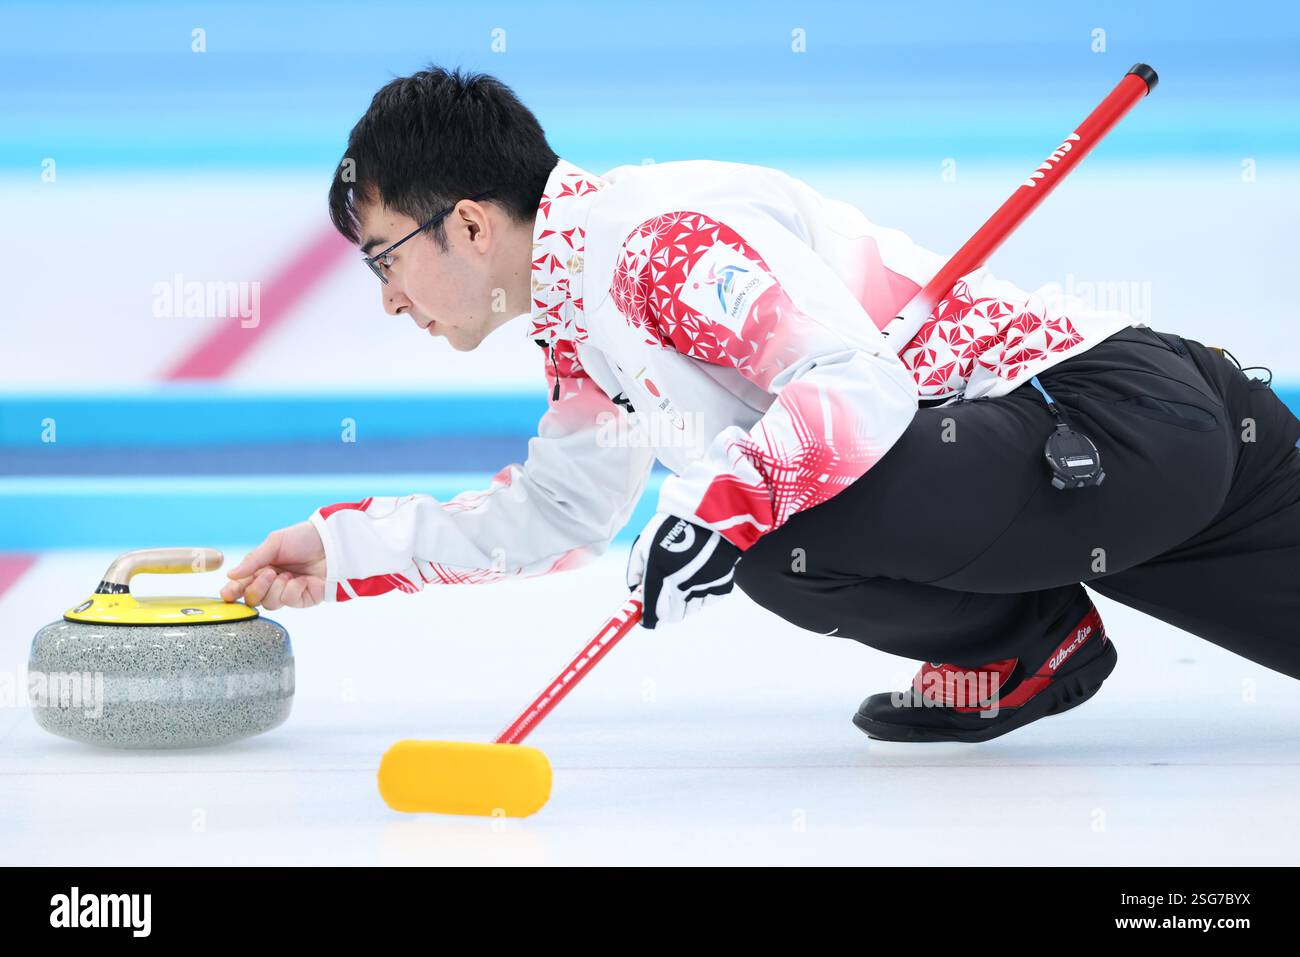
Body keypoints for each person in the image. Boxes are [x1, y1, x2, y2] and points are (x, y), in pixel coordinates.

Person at [221, 66, 1300, 743]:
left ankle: (1025, 644)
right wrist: (343, 552)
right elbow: (562, 515)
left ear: (464, 222)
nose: (389, 300)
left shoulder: (652, 245)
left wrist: (722, 507)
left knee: (778, 530)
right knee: (759, 514)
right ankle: (1030, 633)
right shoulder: (579, 324)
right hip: (1106, 456)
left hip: (1100, 426)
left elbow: (850, 384)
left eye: (382, 259)